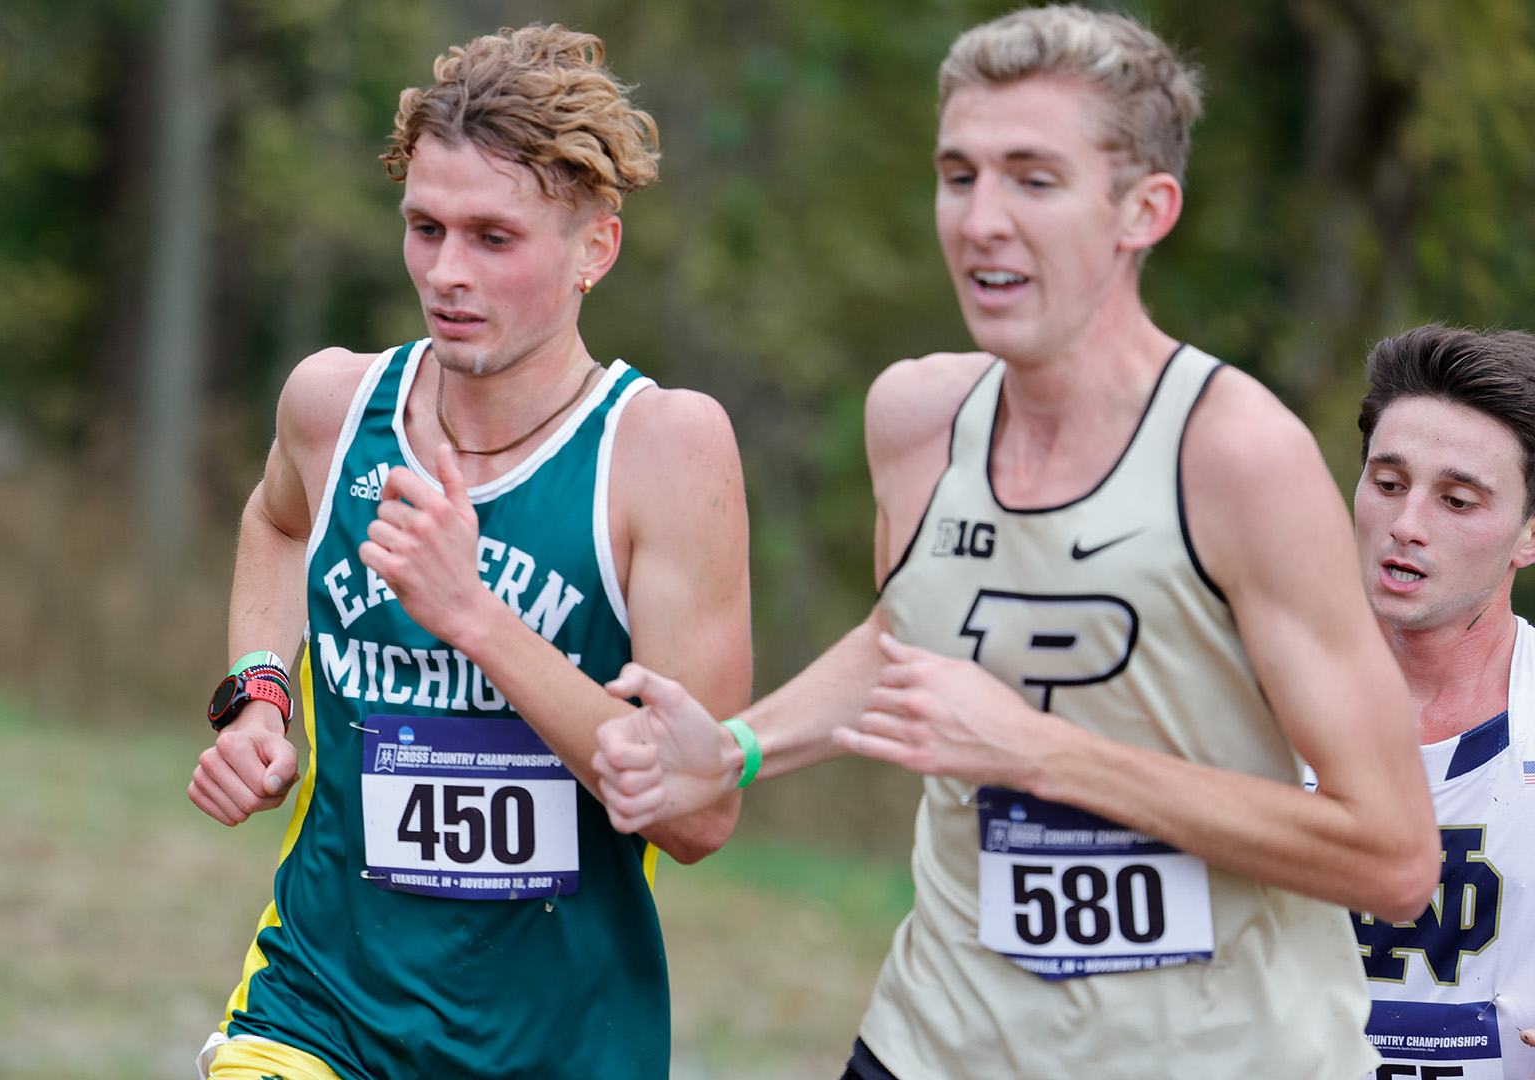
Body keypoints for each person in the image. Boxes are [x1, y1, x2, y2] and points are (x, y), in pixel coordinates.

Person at [589, 7, 1440, 1078]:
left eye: (1034, 180)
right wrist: (738, 750)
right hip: (938, 1041)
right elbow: (911, 633)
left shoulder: (1238, 459)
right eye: (960, 175)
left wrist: (1041, 755)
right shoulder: (915, 420)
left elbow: (1396, 855)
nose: (982, 219)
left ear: (1145, 209)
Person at [184, 24, 750, 1080]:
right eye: (426, 228)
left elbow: (699, 810)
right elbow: (276, 522)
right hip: (318, 1016)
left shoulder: (664, 451)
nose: (446, 272)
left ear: (596, 249)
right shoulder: (333, 406)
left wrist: (477, 619)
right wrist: (259, 696)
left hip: (565, 1044)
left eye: (494, 238)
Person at [1343, 325, 1535, 1079]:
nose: (1407, 525)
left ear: (1528, 535)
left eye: (1457, 500)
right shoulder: (1246, 708)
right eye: (1388, 484)